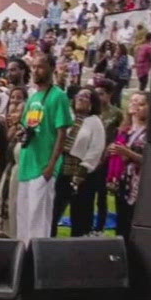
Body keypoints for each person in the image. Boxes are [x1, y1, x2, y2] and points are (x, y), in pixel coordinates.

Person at [15, 53, 74, 242]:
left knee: (39, 219)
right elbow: (27, 126)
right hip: (26, 163)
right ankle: (22, 257)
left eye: (40, 67)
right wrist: (20, 133)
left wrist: (51, 166)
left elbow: (62, 133)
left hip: (43, 166)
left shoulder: (59, 96)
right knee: (23, 216)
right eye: (33, 67)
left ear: (51, 68)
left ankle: (36, 258)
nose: (35, 71)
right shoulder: (33, 97)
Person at [59, 88, 108, 237]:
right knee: (54, 209)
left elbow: (96, 148)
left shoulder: (95, 122)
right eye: (79, 96)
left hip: (82, 172)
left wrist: (84, 168)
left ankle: (77, 245)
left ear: (92, 103)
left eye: (86, 97)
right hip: (61, 167)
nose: (81, 98)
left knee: (80, 214)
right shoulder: (68, 117)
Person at [108, 92, 150, 240]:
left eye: (141, 103)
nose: (135, 105)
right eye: (133, 101)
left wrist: (128, 153)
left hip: (140, 186)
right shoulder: (124, 130)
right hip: (123, 183)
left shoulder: (149, 133)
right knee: (121, 222)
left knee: (133, 225)